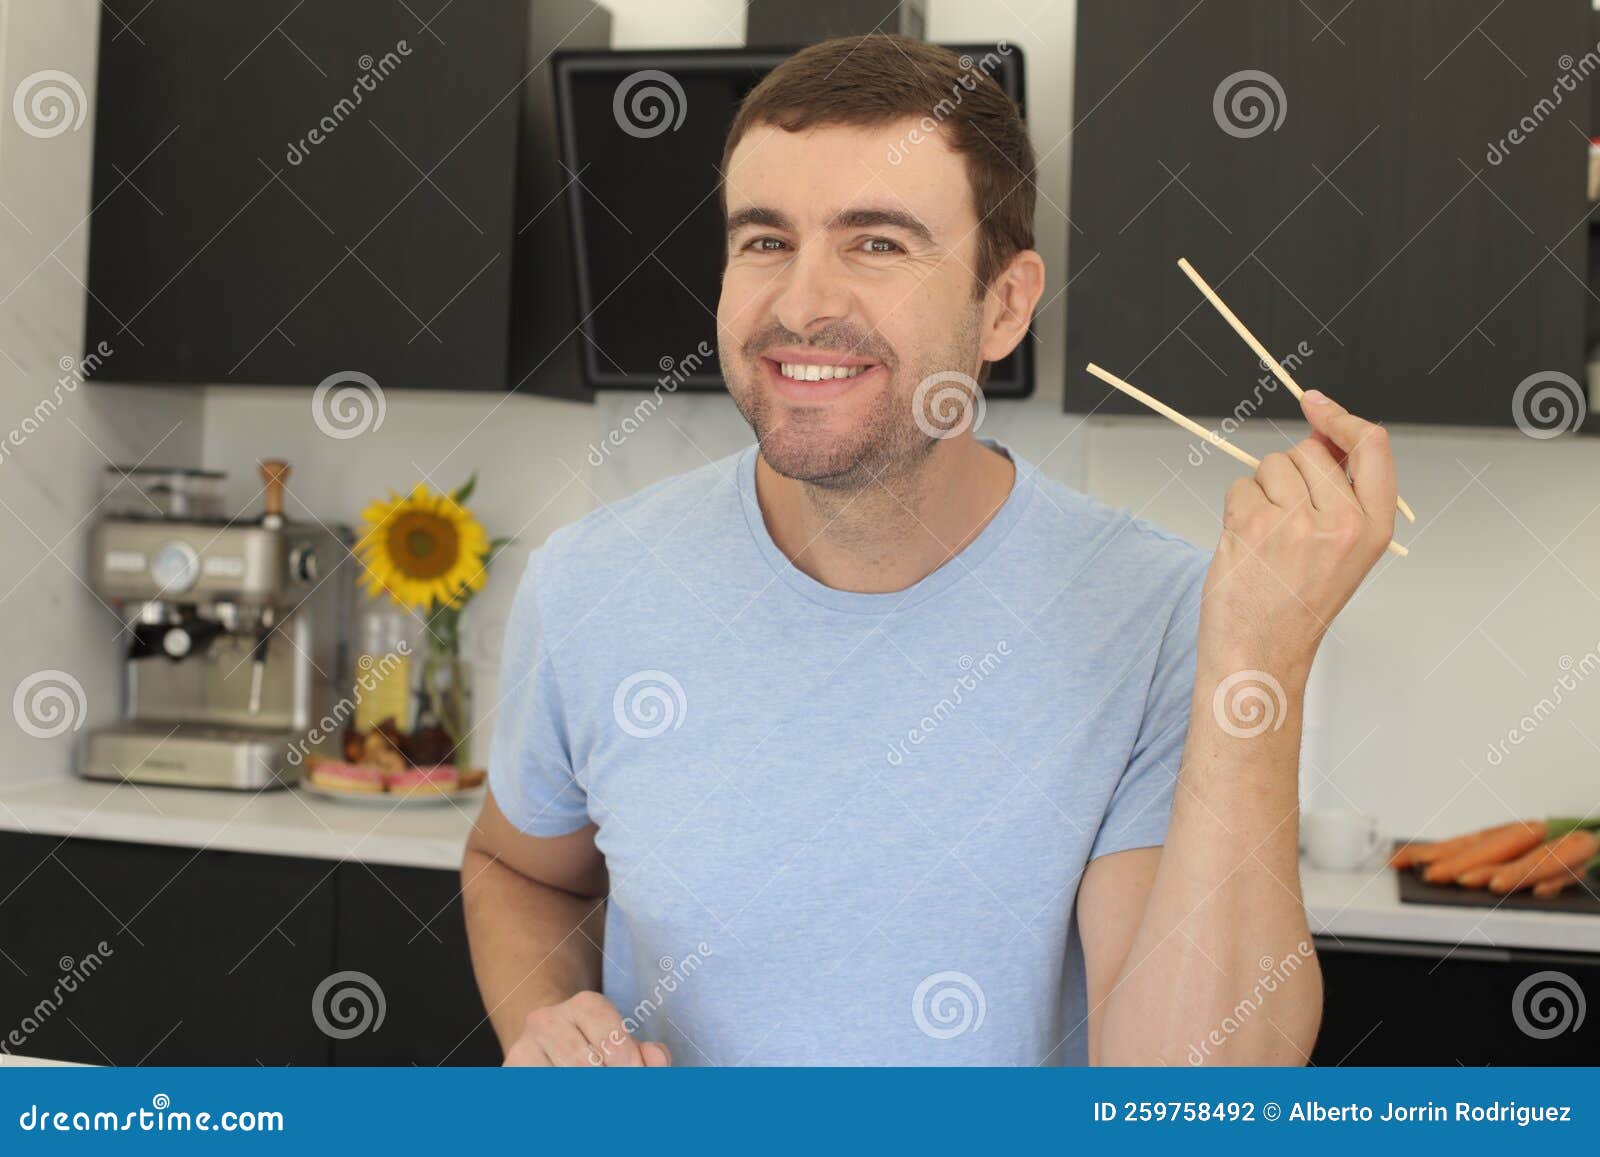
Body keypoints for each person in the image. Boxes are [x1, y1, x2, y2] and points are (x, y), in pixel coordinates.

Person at [462, 34, 1396, 1066]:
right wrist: (544, 1016)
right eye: (765, 241)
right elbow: (521, 869)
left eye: (877, 243)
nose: (801, 303)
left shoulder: (1161, 616)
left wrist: (1261, 652)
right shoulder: (592, 579)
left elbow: (1194, 1093)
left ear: (1003, 304)